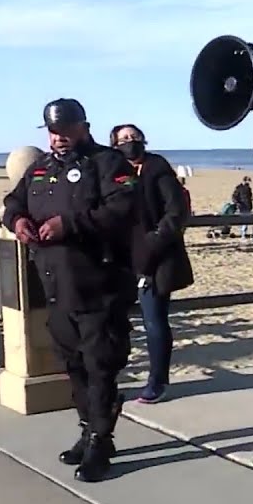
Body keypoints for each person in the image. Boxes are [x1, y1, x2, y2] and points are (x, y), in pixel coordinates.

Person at [1, 98, 139, 483]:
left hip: (99, 286)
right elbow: (13, 202)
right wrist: (17, 221)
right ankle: (87, 428)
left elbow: (123, 208)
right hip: (56, 287)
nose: (58, 138)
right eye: (52, 131)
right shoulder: (41, 169)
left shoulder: (109, 163)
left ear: (84, 127)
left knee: (100, 367)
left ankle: (101, 442)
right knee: (73, 366)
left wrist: (70, 224)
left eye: (65, 130)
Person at [110, 123, 194, 404]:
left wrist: (154, 241)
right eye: (123, 138)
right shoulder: (113, 170)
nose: (130, 141)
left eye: (134, 137)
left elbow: (176, 210)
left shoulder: (157, 167)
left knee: (154, 321)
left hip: (155, 259)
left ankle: (157, 381)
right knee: (112, 321)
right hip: (120, 258)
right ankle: (110, 378)